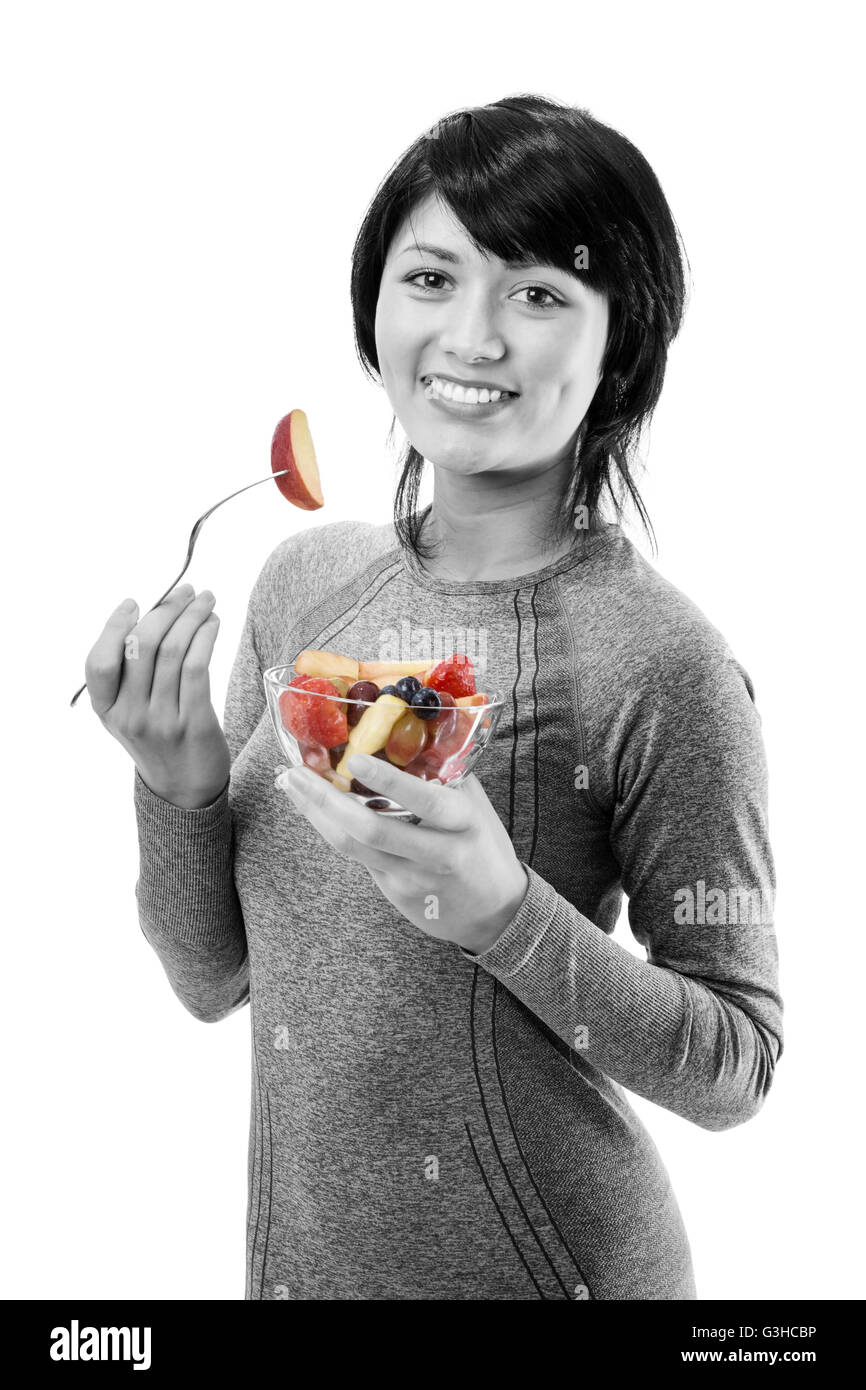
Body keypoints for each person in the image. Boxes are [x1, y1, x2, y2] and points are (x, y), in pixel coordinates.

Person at [84, 94, 783, 1300]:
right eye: (430, 278)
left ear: (620, 344)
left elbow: (737, 1062)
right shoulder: (304, 581)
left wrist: (502, 910)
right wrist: (179, 787)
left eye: (540, 293)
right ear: (374, 306)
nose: (472, 337)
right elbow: (213, 981)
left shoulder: (664, 663)